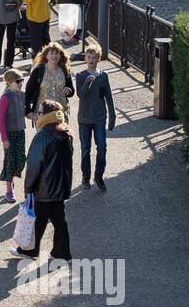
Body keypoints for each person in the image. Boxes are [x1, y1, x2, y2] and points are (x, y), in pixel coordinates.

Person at [16, 100, 75, 262]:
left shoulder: (42, 136)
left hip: (44, 188)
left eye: (40, 112)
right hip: (61, 187)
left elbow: (34, 165)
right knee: (58, 221)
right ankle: (61, 253)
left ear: (47, 115)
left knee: (39, 218)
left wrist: (28, 188)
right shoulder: (66, 134)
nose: (37, 114)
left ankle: (30, 251)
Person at [74, 41, 116, 192]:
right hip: (84, 119)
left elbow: (109, 98)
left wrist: (112, 118)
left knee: (102, 148)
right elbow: (81, 95)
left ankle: (99, 176)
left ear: (98, 58)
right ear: (85, 58)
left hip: (99, 118)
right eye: (89, 57)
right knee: (85, 149)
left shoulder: (104, 76)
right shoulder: (80, 75)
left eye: (94, 57)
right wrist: (87, 82)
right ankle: (86, 177)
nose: (91, 60)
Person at [24, 41, 75, 121]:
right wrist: (28, 112)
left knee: (61, 134)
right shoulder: (38, 71)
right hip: (42, 114)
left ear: (60, 56)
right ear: (46, 56)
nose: (54, 56)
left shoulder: (65, 70)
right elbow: (28, 91)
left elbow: (71, 90)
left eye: (57, 53)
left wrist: (69, 90)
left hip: (61, 113)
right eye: (51, 53)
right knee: (44, 134)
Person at [0, 68, 27, 204]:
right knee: (10, 161)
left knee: (21, 159)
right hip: (9, 134)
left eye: (22, 80)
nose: (20, 83)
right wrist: (4, 138)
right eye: (17, 81)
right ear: (9, 83)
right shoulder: (5, 98)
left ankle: (11, 180)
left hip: (20, 131)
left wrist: (34, 115)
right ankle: (9, 190)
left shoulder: (22, 95)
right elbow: (0, 120)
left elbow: (25, 111)